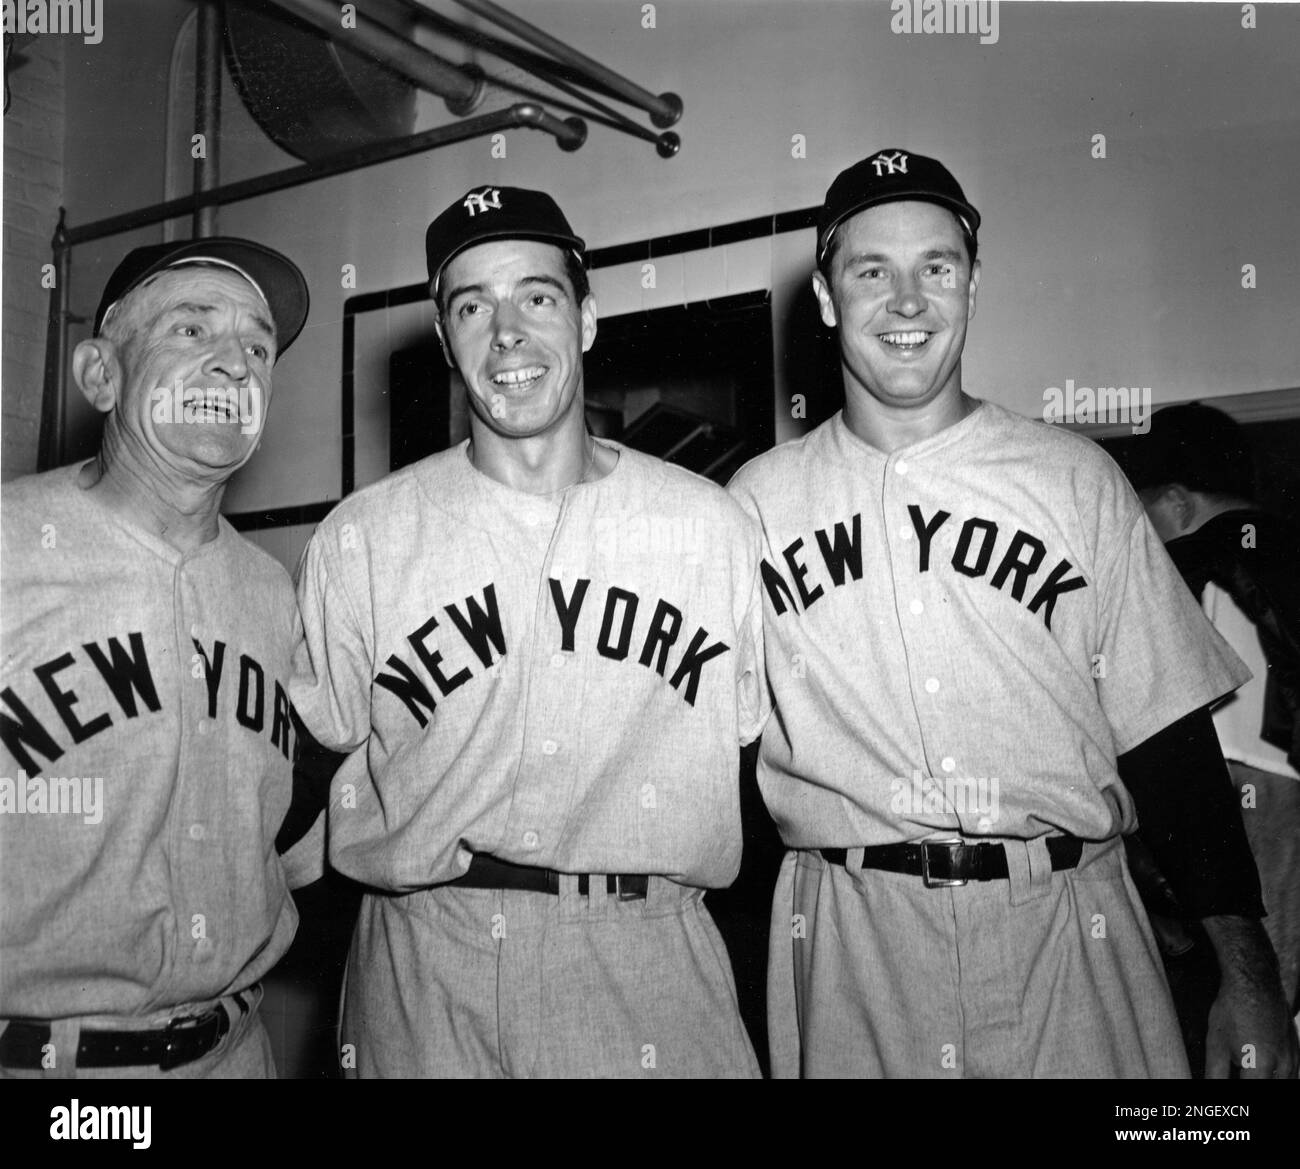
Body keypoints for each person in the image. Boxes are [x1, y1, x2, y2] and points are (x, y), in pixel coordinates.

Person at [727, 148, 1299, 1078]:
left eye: (936, 268)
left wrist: (1250, 973)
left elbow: (1170, 747)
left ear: (972, 284)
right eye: (872, 270)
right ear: (828, 299)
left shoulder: (1074, 478)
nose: (907, 300)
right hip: (854, 936)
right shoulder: (752, 503)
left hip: (1072, 921)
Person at [290, 186, 766, 1077]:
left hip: (647, 953)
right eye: (473, 305)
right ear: (445, 338)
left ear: (586, 320)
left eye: (537, 297)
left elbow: (754, 749)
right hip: (426, 959)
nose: (506, 331)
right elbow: (300, 777)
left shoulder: (711, 526)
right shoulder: (363, 536)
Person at [0, 237, 313, 1077]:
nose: (234, 364)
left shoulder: (272, 592)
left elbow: (286, 836)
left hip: (237, 1051)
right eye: (190, 330)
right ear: (101, 375)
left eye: (256, 344)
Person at [1126, 403, 1300, 1022]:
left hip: (1247, 817)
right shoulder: (1280, 556)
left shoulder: (1198, 573)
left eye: (1140, 511)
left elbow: (1256, 795)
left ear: (1175, 500)